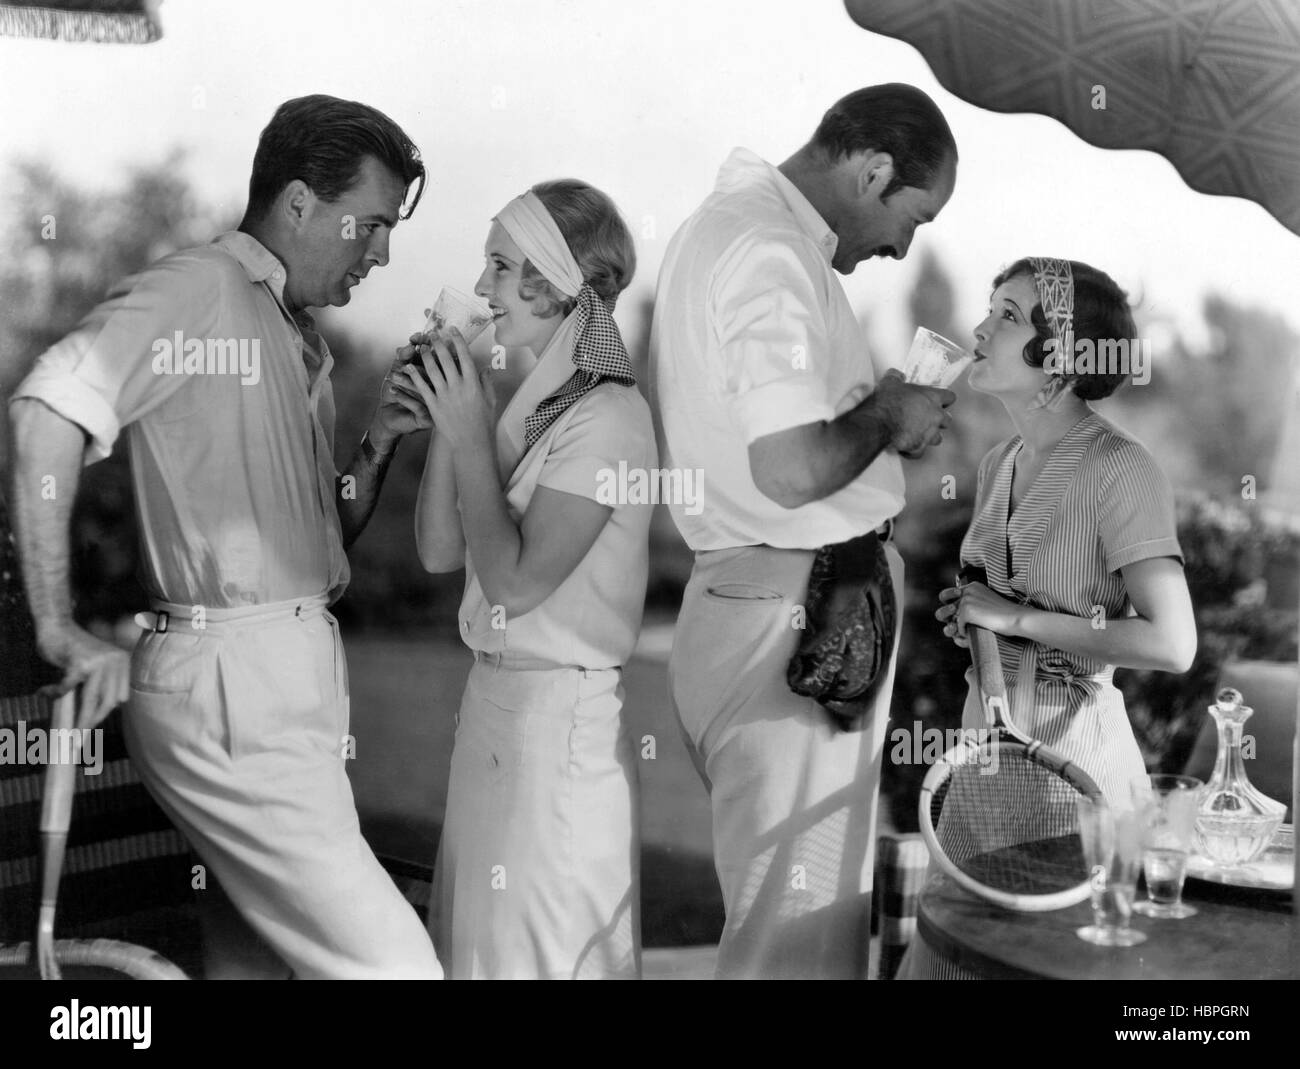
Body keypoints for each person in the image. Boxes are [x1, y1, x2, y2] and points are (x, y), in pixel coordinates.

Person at [7, 95, 443, 979]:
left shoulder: (291, 334)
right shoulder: (197, 291)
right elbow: (47, 410)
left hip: (276, 679)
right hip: (231, 688)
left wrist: (379, 443)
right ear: (296, 203)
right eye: (370, 224)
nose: (383, 252)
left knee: (256, 967)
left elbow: (321, 544)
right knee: (400, 967)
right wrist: (56, 626)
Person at [649, 83, 958, 979]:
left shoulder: (742, 231)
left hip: (780, 603)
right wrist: (890, 415)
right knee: (794, 944)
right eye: (915, 213)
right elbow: (787, 468)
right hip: (798, 618)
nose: (906, 243)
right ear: (872, 169)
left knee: (797, 929)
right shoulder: (770, 249)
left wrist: (871, 413)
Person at [898, 256, 1197, 979]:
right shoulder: (1001, 458)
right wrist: (979, 624)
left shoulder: (1122, 469)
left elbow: (1172, 641)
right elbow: (1006, 611)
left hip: (1076, 787)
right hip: (983, 775)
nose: (979, 327)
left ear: (1061, 352)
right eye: (990, 308)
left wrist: (1018, 619)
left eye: (1007, 315)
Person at [392, 179, 653, 979]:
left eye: (499, 267)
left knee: (537, 953)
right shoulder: (534, 406)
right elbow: (441, 550)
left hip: (556, 727)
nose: (480, 288)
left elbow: (510, 582)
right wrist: (451, 411)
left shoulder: (606, 417)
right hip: (497, 711)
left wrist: (471, 429)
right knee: (474, 950)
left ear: (552, 278)